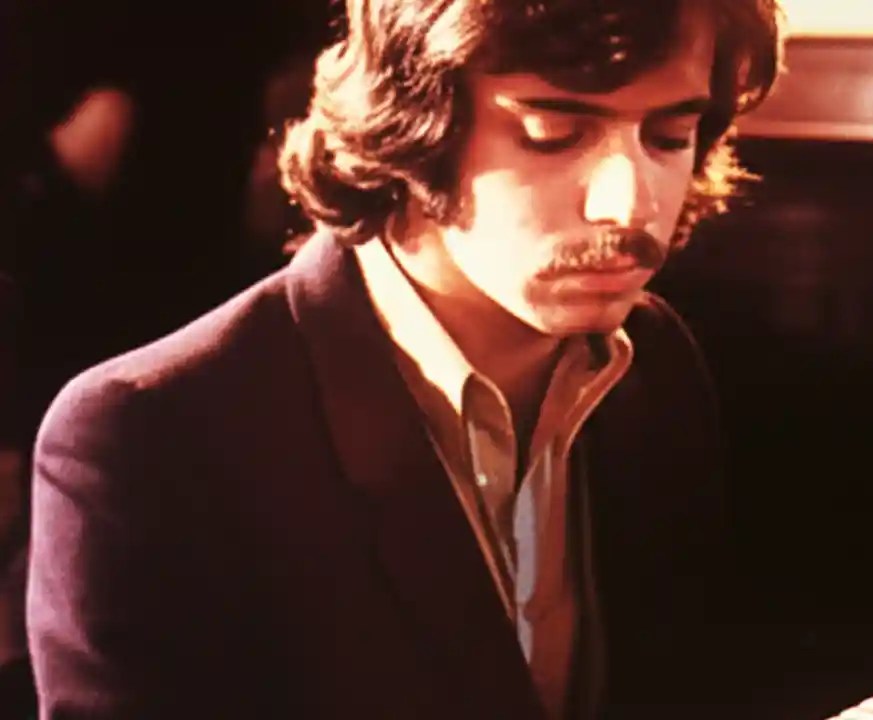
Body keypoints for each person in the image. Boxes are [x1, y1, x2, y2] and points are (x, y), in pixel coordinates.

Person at [26, 0, 785, 717]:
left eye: (668, 138)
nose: (627, 203)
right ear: (416, 123)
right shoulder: (150, 438)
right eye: (555, 131)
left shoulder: (655, 364)